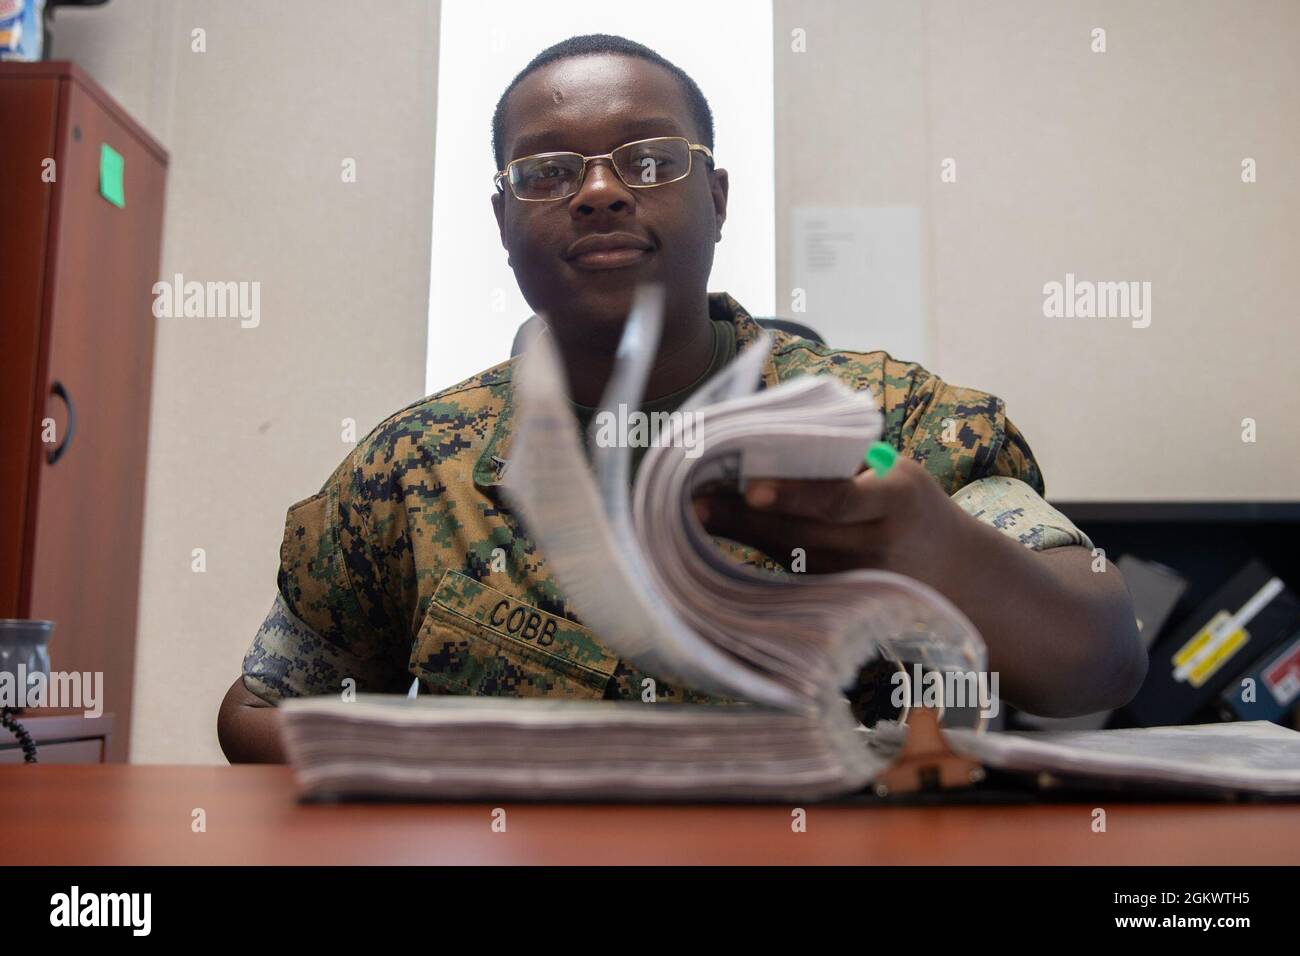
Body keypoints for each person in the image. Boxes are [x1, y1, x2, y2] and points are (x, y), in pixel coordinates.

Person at [218, 34, 1145, 763]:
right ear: (503, 223)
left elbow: (1099, 660)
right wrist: (436, 758)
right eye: (547, 173)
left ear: (718, 196)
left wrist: (929, 542)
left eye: (650, 161)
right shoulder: (413, 463)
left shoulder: (889, 419)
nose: (598, 194)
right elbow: (261, 709)